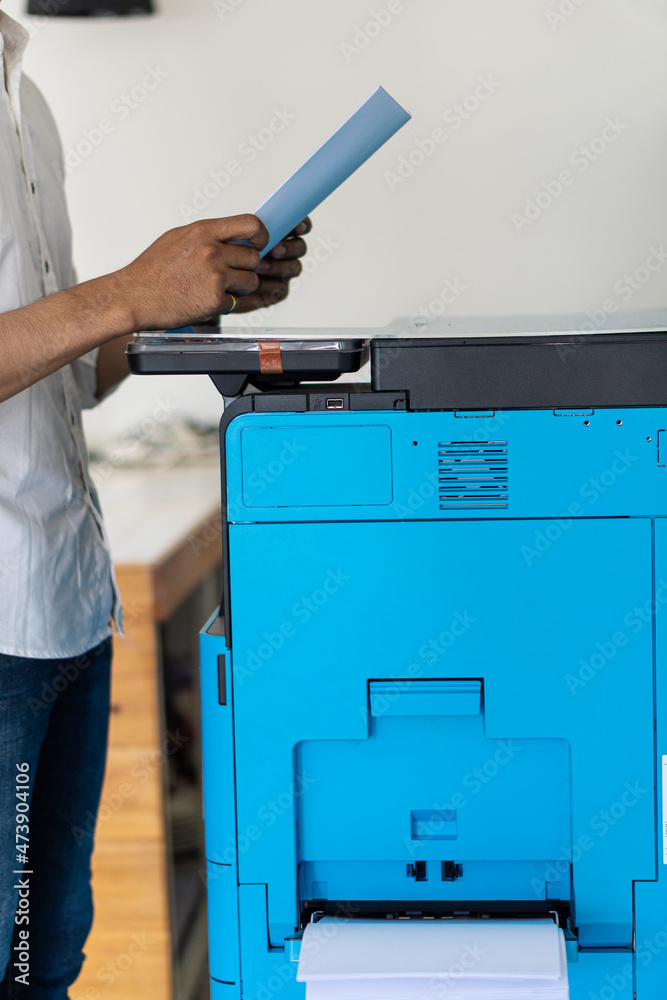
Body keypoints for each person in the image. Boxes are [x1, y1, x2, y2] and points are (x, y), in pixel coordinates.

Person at [0, 6, 310, 997]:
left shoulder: (25, 96)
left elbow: (66, 376)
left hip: (64, 610)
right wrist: (131, 291)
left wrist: (186, 300)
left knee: (44, 965)